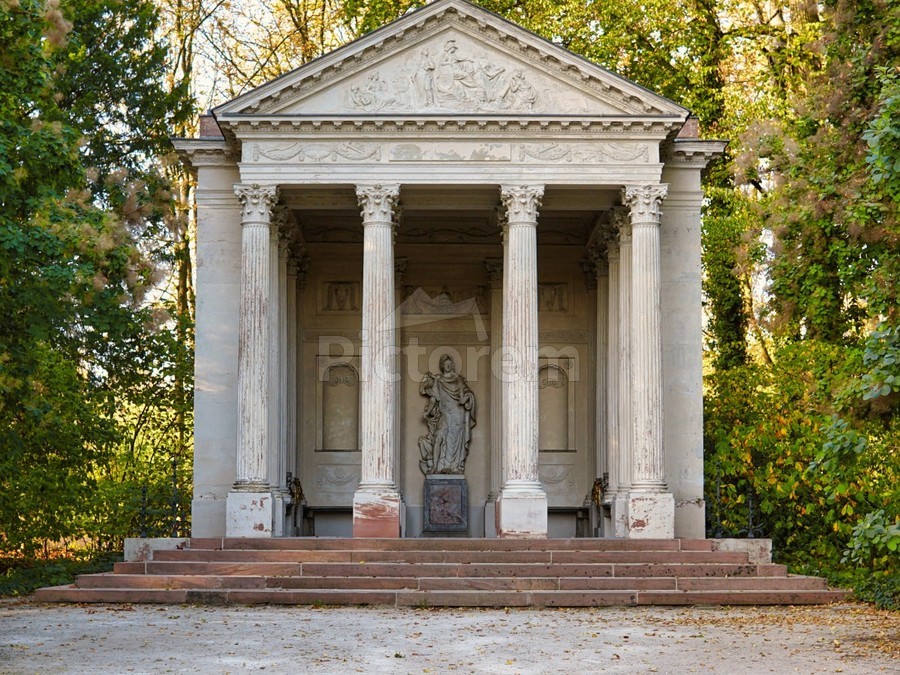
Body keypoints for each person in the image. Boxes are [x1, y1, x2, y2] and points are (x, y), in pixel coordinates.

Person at [418, 354, 476, 474]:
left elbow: (467, 393)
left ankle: (453, 467)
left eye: (450, 364)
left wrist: (466, 398)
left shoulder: (459, 380)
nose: (448, 366)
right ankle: (435, 467)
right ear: (442, 366)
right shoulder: (438, 381)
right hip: (444, 415)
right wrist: (427, 412)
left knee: (454, 442)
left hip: (457, 415)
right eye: (445, 364)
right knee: (438, 437)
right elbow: (434, 398)